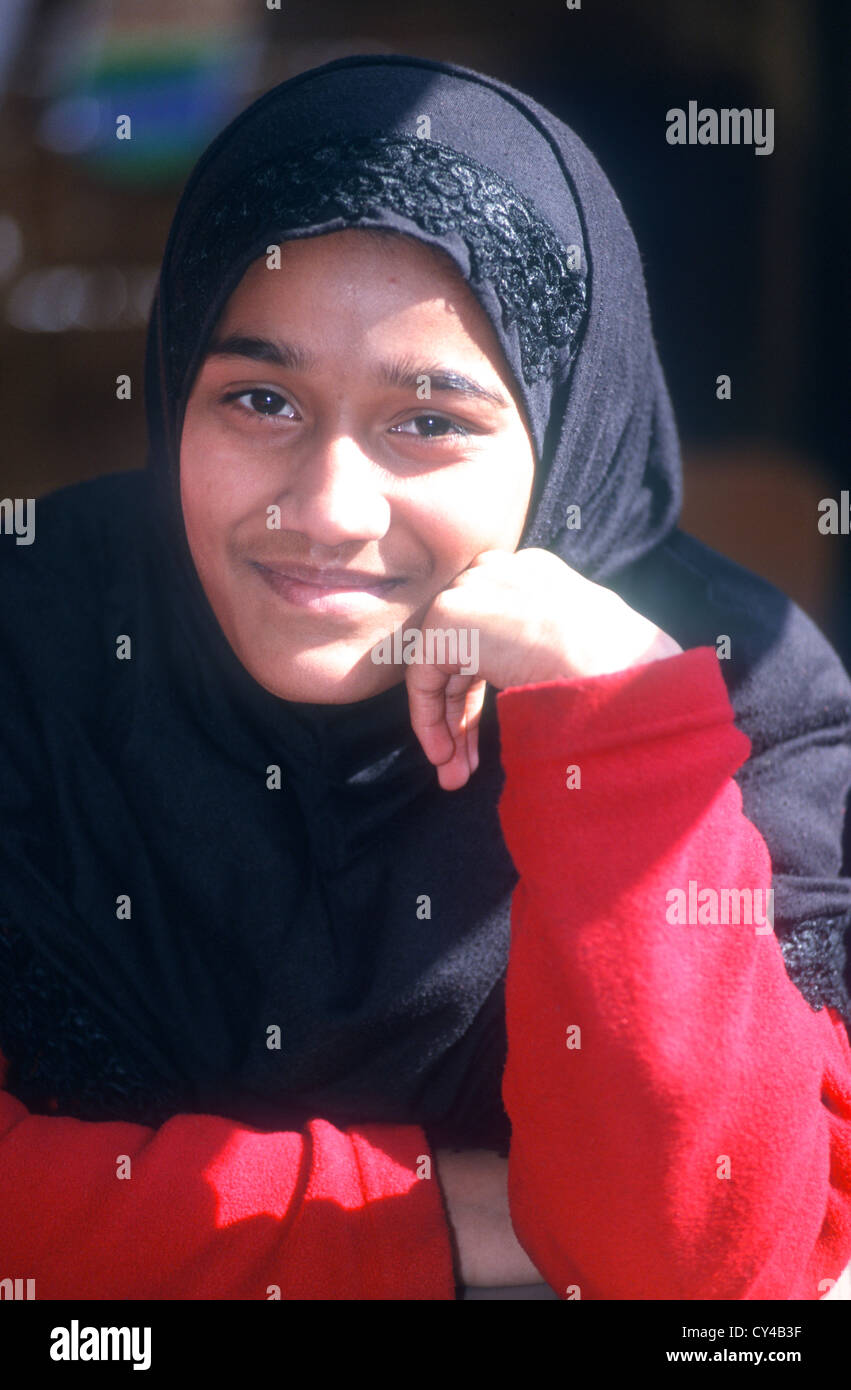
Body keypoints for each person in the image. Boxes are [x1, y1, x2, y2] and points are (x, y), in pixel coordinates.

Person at [1, 52, 851, 1302]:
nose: (326, 509)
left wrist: (614, 731)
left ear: (563, 433)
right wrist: (444, 1215)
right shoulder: (37, 637)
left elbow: (711, 1268)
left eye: (430, 420)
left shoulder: (730, 696)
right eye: (259, 398)